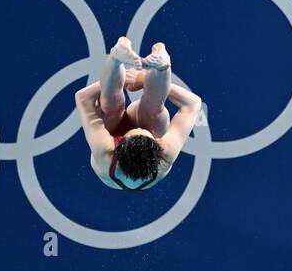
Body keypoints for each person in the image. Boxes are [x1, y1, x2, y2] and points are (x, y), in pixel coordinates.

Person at [74, 38, 202, 191]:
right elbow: (192, 103)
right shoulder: (165, 153)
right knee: (154, 110)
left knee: (110, 106)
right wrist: (145, 79)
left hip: (112, 135)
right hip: (148, 123)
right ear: (157, 146)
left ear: (118, 145)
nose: (140, 128)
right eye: (145, 132)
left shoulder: (104, 150)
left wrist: (120, 78)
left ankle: (116, 57)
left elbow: (83, 98)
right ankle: (163, 67)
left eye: (136, 131)